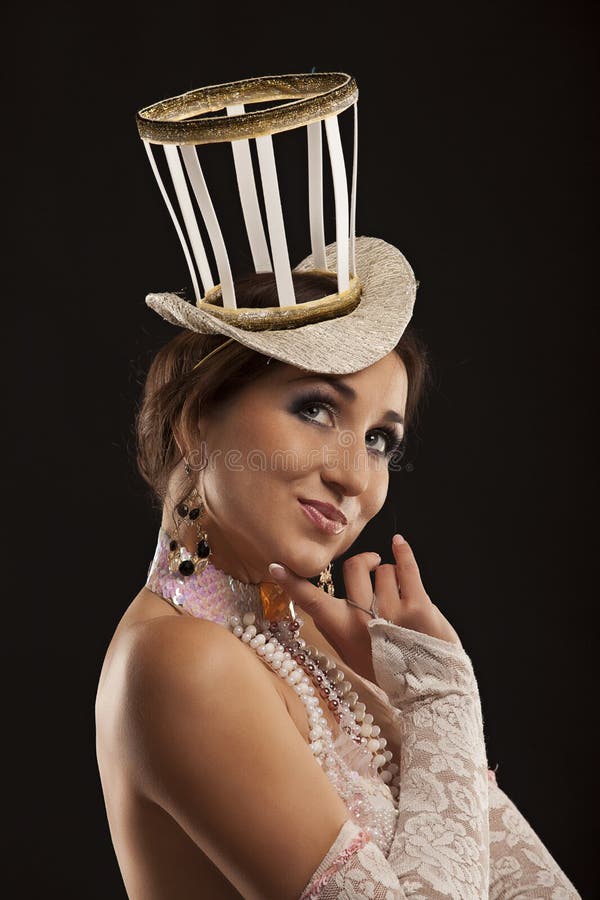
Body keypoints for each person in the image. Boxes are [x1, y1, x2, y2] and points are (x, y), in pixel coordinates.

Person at [95, 73, 581, 899]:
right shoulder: (178, 664)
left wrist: (428, 704)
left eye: (382, 439)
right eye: (316, 408)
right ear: (196, 423)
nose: (356, 476)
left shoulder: (310, 641)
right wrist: (440, 696)